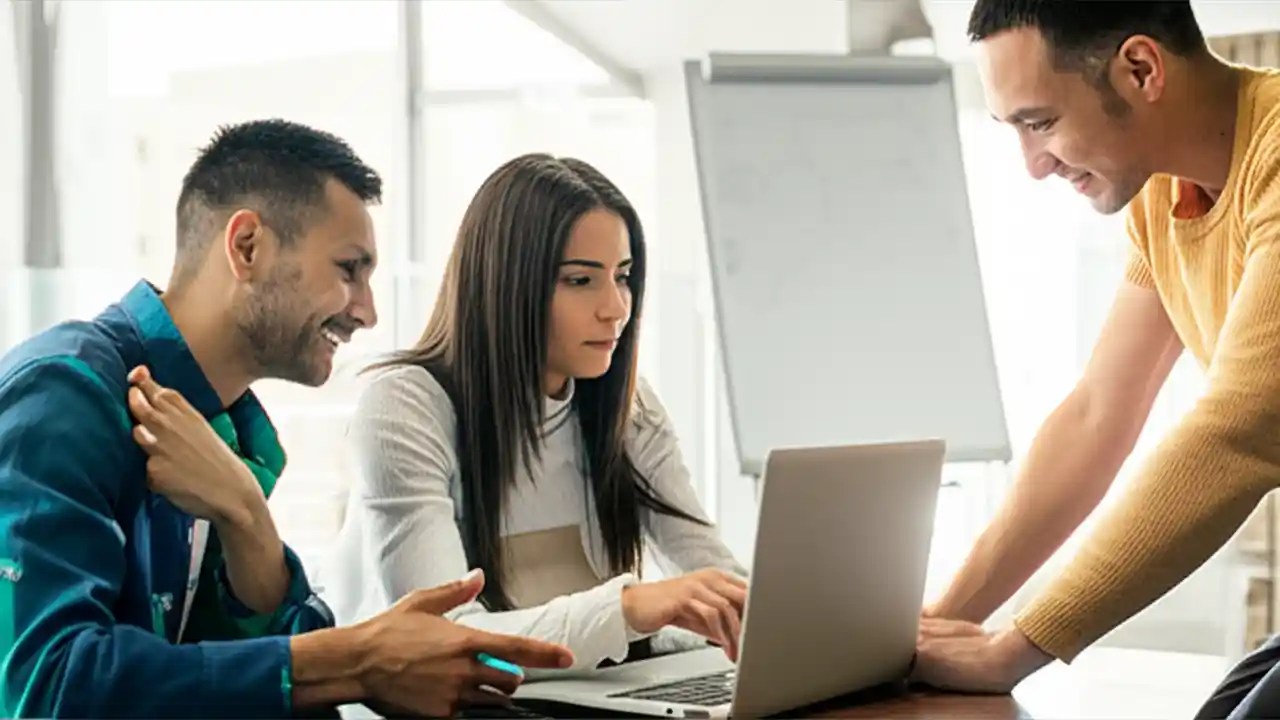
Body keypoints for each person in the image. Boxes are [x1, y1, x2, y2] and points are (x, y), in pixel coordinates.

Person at [0, 119, 572, 719]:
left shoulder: (227, 435)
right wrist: (354, 660)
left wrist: (248, 520)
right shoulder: (64, 393)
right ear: (246, 246)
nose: (368, 312)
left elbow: (273, 681)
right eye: (349, 269)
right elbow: (46, 689)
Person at [908, 1, 1280, 716]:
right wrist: (940, 625)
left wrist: (1016, 646)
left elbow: (1238, 434)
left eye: (1040, 123)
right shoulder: (1162, 196)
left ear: (1141, 69)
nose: (1033, 165)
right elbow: (1098, 414)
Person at [324, 153, 748, 674]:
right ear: (507, 283)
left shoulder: (628, 409)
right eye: (580, 280)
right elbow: (443, 637)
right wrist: (632, 606)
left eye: (623, 276)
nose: (615, 306)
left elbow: (719, 580)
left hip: (577, 698)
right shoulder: (405, 409)